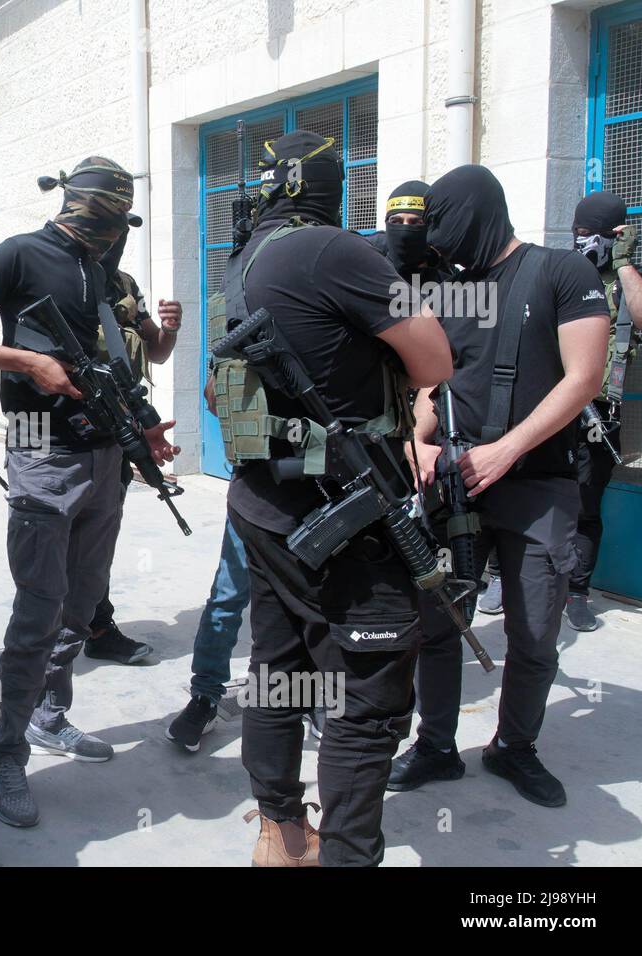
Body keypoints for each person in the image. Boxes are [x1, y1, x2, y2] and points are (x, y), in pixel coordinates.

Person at [209, 131, 453, 865]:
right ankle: (347, 854)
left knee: (280, 673)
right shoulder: (332, 250)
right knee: (369, 702)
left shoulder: (244, 257)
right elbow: (436, 356)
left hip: (262, 503)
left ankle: (280, 834)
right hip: (342, 515)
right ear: (327, 188)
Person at [389, 165, 609, 809]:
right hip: (455, 483)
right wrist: (416, 442)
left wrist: (508, 449)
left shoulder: (562, 272)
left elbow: (584, 377)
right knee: (437, 623)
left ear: (482, 213)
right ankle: (436, 746)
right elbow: (436, 384)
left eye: (446, 227)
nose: (442, 245)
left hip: (538, 481)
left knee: (534, 628)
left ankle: (515, 746)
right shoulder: (452, 291)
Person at [0, 157, 177, 829]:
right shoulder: (17, 256)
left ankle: (48, 713)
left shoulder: (99, 271)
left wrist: (142, 430)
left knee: (83, 605)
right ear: (92, 211)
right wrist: (28, 361)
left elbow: (116, 361)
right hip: (40, 447)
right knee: (39, 607)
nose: (115, 236)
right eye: (112, 222)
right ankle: (5, 753)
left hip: (103, 452)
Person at [83, 224, 184, 666]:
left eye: (120, 229)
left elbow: (156, 352)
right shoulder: (61, 276)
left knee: (100, 534)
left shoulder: (125, 285)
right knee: (63, 533)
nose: (113, 239)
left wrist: (169, 328)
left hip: (123, 424)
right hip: (70, 426)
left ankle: (97, 625)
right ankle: (54, 628)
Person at [564, 192, 642, 630]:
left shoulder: (626, 280)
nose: (582, 241)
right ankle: (502, 576)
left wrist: (625, 262)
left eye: (591, 234)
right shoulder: (563, 271)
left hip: (601, 414)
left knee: (586, 508)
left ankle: (577, 593)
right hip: (554, 407)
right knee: (521, 494)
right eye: (576, 232)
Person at [165, 520, 249, 751]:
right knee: (227, 598)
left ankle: (312, 696)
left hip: (327, 500)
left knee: (317, 602)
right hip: (257, 504)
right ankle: (205, 698)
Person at [368, 180, 454, 284]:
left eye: (416, 223)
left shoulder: (448, 285)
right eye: (396, 221)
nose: (404, 233)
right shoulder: (367, 276)